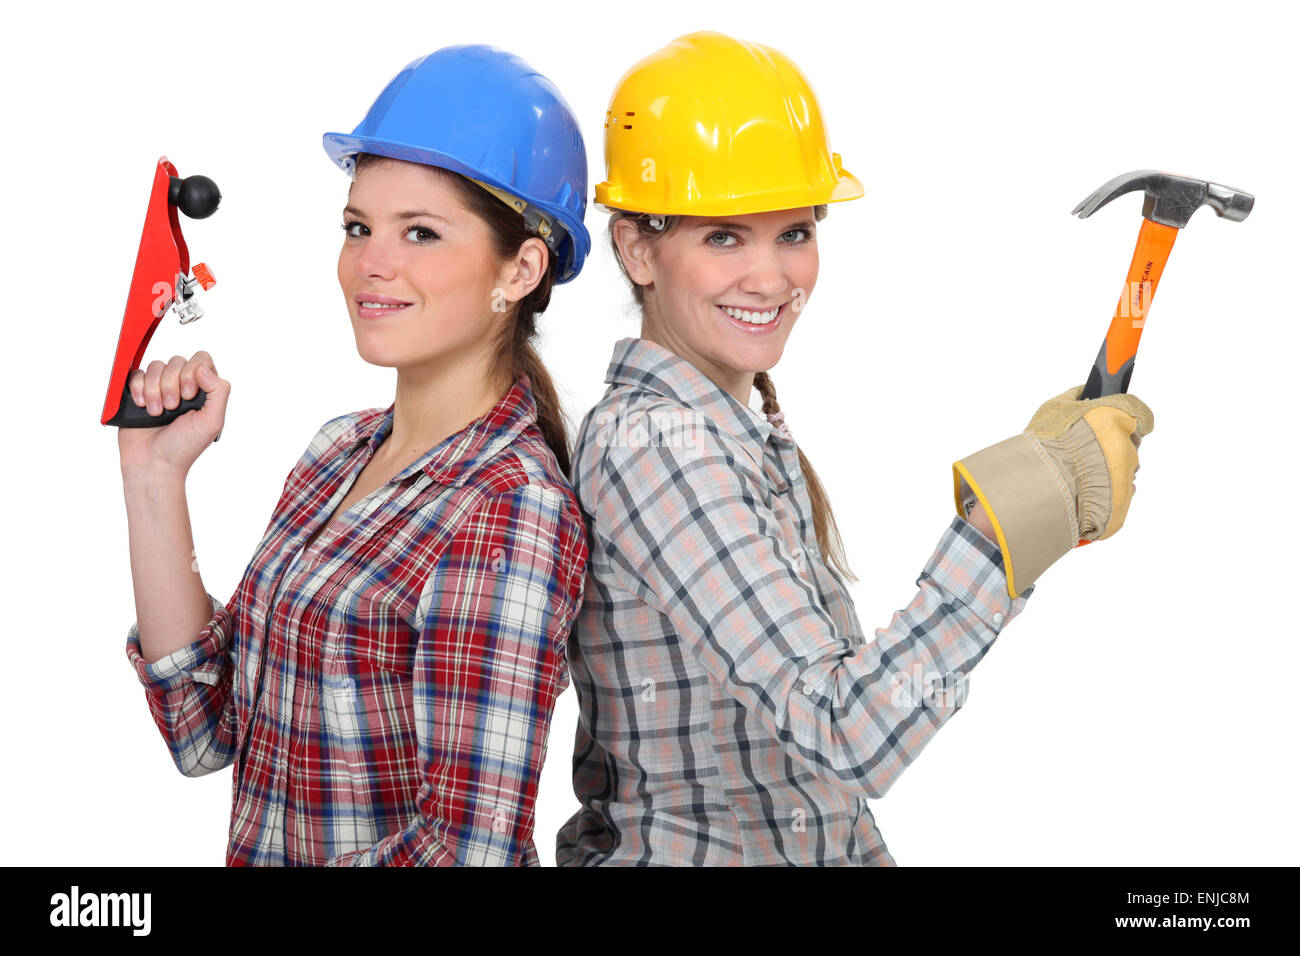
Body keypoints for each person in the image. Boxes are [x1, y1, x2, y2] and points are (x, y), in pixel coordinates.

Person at [556, 31, 1154, 866]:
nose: (771, 278)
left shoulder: (736, 426)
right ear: (637, 249)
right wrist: (1019, 513)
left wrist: (1037, 481)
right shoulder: (661, 446)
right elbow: (848, 730)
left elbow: (814, 789)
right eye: (724, 236)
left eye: (795, 232)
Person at [117, 45, 591, 866]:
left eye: (421, 232)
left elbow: (463, 852)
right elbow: (204, 732)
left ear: (521, 267)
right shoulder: (337, 452)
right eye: (358, 227)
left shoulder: (509, 509)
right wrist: (155, 479)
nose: (372, 262)